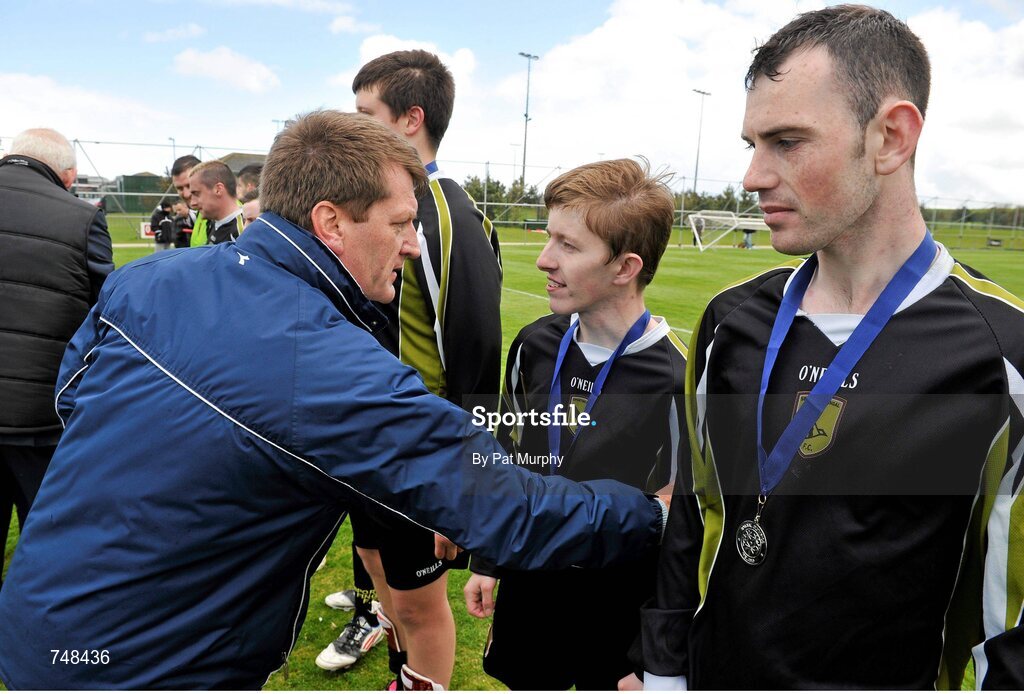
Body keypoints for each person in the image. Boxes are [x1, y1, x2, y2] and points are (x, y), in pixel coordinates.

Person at [0, 110, 668, 690]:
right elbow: (510, 512)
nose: (412, 244)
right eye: (402, 222)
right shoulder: (333, 369)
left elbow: (72, 396)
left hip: (37, 621)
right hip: (151, 668)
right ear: (331, 223)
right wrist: (655, 514)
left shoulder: (150, 278)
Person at [638, 5, 1024, 690]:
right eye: (751, 143)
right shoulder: (731, 322)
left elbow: (1011, 623)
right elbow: (696, 514)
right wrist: (666, 669)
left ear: (891, 137)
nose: (753, 176)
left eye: (787, 142)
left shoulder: (1003, 355)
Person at [316, 49, 504, 689]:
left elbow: (477, 354)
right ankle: (404, 673)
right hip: (365, 436)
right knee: (374, 566)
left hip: (415, 445)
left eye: (365, 113)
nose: (353, 123)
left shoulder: (445, 215)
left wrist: (463, 482)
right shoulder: (374, 203)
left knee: (421, 605)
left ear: (409, 119)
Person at [463, 159, 685, 690]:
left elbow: (683, 527)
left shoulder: (677, 378)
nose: (544, 260)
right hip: (530, 584)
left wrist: (655, 654)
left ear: (625, 267)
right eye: (549, 238)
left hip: (614, 610)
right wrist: (489, 559)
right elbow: (506, 455)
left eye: (568, 245)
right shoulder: (534, 344)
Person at [0, 128, 113, 590]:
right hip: (42, 415)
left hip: (39, 413)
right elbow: (107, 311)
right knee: (47, 544)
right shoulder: (80, 217)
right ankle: (45, 650)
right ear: (67, 174)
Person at [188, 160, 244, 244]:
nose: (192, 203)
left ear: (218, 190)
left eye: (196, 194)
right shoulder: (212, 222)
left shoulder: (242, 232)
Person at [170, 154, 208, 245]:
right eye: (180, 188)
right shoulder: (200, 213)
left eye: (189, 185)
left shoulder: (227, 215)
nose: (186, 194)